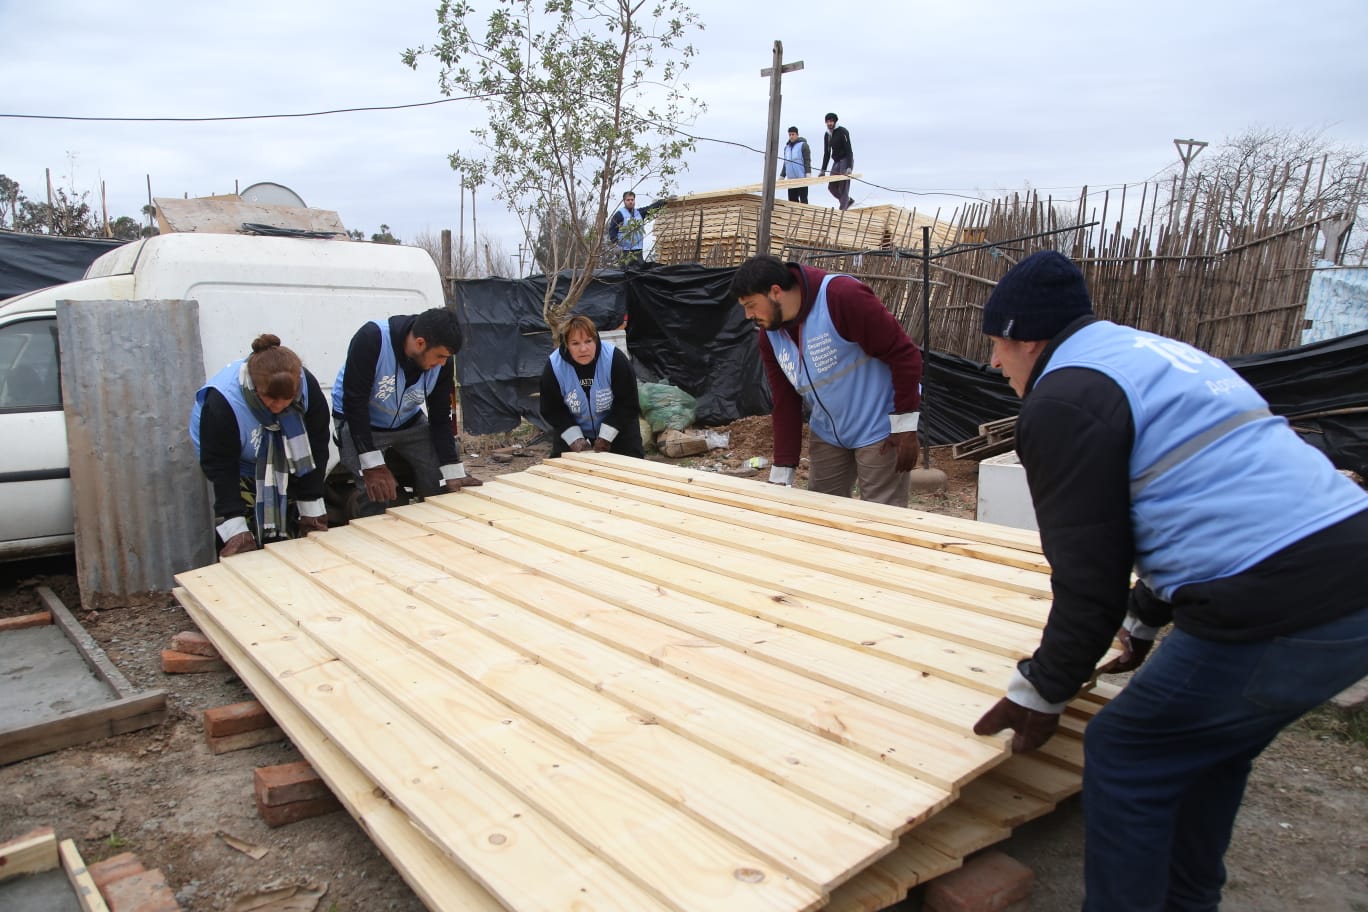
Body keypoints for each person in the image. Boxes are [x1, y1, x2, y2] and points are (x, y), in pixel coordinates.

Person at [969, 250, 1368, 912]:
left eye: (996, 345)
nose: (992, 363)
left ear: (1025, 337)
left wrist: (1040, 692)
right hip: (1349, 559)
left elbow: (1088, 581)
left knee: (1127, 751)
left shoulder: (1063, 400)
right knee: (1212, 747)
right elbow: (1198, 497)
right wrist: (1144, 622)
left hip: (1281, 598)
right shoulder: (1156, 357)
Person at [729, 254, 922, 505]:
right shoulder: (770, 337)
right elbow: (785, 400)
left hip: (879, 430)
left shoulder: (841, 297)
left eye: (751, 304)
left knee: (882, 521)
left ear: (775, 292)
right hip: (828, 432)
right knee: (819, 515)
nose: (747, 315)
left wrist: (905, 426)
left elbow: (905, 355)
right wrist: (782, 470)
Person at [190, 334, 332, 559]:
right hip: (239, 465)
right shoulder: (222, 403)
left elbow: (317, 446)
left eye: (287, 399)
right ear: (256, 388)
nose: (279, 407)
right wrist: (234, 528)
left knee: (295, 532)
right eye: (271, 399)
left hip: (288, 457)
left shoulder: (307, 388)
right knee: (245, 540)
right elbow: (221, 467)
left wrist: (311, 507)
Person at [332, 307, 481, 518]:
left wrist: (452, 470)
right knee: (375, 491)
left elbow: (440, 417)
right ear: (420, 343)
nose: (443, 363)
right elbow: (354, 404)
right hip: (359, 423)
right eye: (439, 356)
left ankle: (437, 531)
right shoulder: (372, 339)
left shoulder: (442, 362)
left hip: (407, 420)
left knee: (440, 480)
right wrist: (372, 464)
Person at [539, 314, 644, 459]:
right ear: (567, 345)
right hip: (572, 429)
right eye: (575, 343)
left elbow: (628, 403)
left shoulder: (615, 359)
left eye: (588, 341)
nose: (583, 349)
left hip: (619, 428)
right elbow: (552, 408)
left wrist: (606, 435)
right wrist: (574, 438)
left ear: (595, 339)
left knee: (632, 472)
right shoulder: (554, 366)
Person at [606, 191, 668, 265]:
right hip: (625, 250)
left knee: (639, 272)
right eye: (628, 200)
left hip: (638, 250)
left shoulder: (639, 213)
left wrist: (664, 201)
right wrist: (615, 244)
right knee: (626, 272)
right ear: (624, 201)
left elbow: (651, 208)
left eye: (632, 200)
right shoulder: (619, 214)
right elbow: (612, 230)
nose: (630, 202)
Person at [818, 112, 854, 211]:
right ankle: (848, 200)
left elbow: (849, 149)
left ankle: (843, 209)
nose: (829, 123)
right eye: (827, 122)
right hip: (836, 161)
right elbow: (827, 153)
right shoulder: (827, 134)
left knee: (843, 185)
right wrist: (823, 170)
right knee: (832, 187)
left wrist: (849, 166)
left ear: (835, 122)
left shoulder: (842, 131)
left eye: (831, 121)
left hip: (845, 160)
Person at [782, 126, 811, 203]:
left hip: (801, 178)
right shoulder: (786, 148)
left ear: (797, 135)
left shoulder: (803, 145)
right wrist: (782, 176)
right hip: (791, 180)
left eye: (793, 134)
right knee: (792, 202)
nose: (791, 136)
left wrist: (808, 173)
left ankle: (804, 215)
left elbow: (807, 160)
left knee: (803, 201)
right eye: (790, 135)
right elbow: (785, 163)